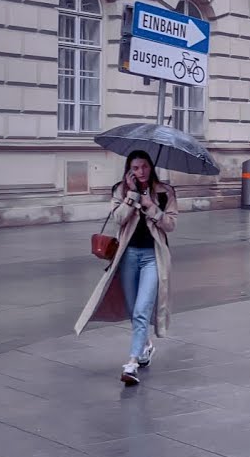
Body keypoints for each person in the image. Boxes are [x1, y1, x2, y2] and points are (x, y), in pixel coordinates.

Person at [75, 151, 177, 386]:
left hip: (154, 256)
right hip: (128, 256)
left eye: (144, 167)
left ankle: (131, 364)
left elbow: (170, 225)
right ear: (129, 170)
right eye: (135, 168)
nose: (141, 172)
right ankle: (145, 346)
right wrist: (132, 196)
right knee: (133, 309)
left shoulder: (165, 192)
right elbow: (118, 219)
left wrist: (151, 206)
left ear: (151, 167)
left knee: (141, 309)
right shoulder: (119, 190)